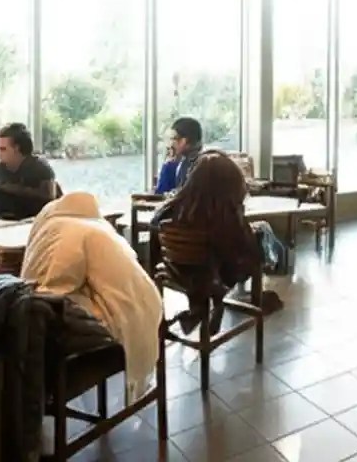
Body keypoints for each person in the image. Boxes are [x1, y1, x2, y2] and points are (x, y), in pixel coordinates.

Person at [19, 191, 161, 399]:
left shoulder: (47, 223)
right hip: (136, 303)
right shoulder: (90, 231)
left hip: (30, 312)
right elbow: (56, 289)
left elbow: (53, 281)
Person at [149, 152, 282, 332]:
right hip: (214, 277)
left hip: (178, 272)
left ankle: (201, 307)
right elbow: (240, 254)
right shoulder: (225, 215)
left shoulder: (168, 210)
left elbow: (155, 246)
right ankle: (238, 300)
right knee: (258, 241)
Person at [0, 123, 57, 219]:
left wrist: (13, 189)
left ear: (17, 148)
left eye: (3, 149)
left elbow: (49, 199)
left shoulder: (41, 168)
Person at [154, 117, 203, 195]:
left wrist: (168, 166)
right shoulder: (187, 162)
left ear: (183, 141)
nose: (170, 144)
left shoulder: (198, 167)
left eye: (173, 139)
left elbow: (162, 195)